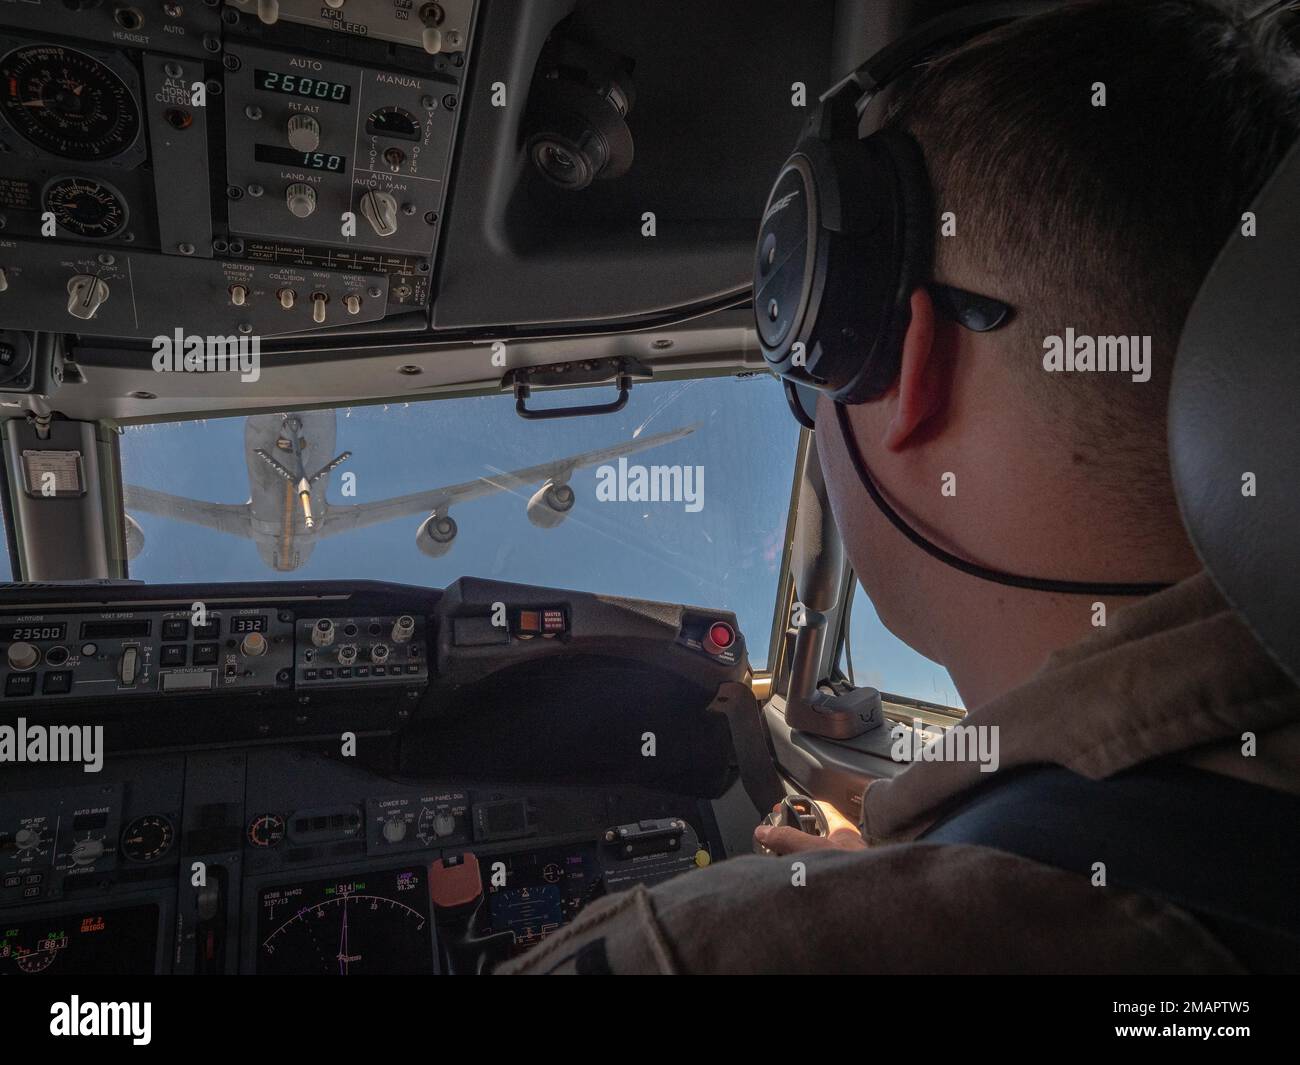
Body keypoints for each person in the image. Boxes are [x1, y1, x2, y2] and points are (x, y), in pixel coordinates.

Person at [499, 0, 1300, 974]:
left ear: (909, 370)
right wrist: (920, 873)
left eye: (807, 392)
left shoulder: (723, 955)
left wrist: (852, 912)